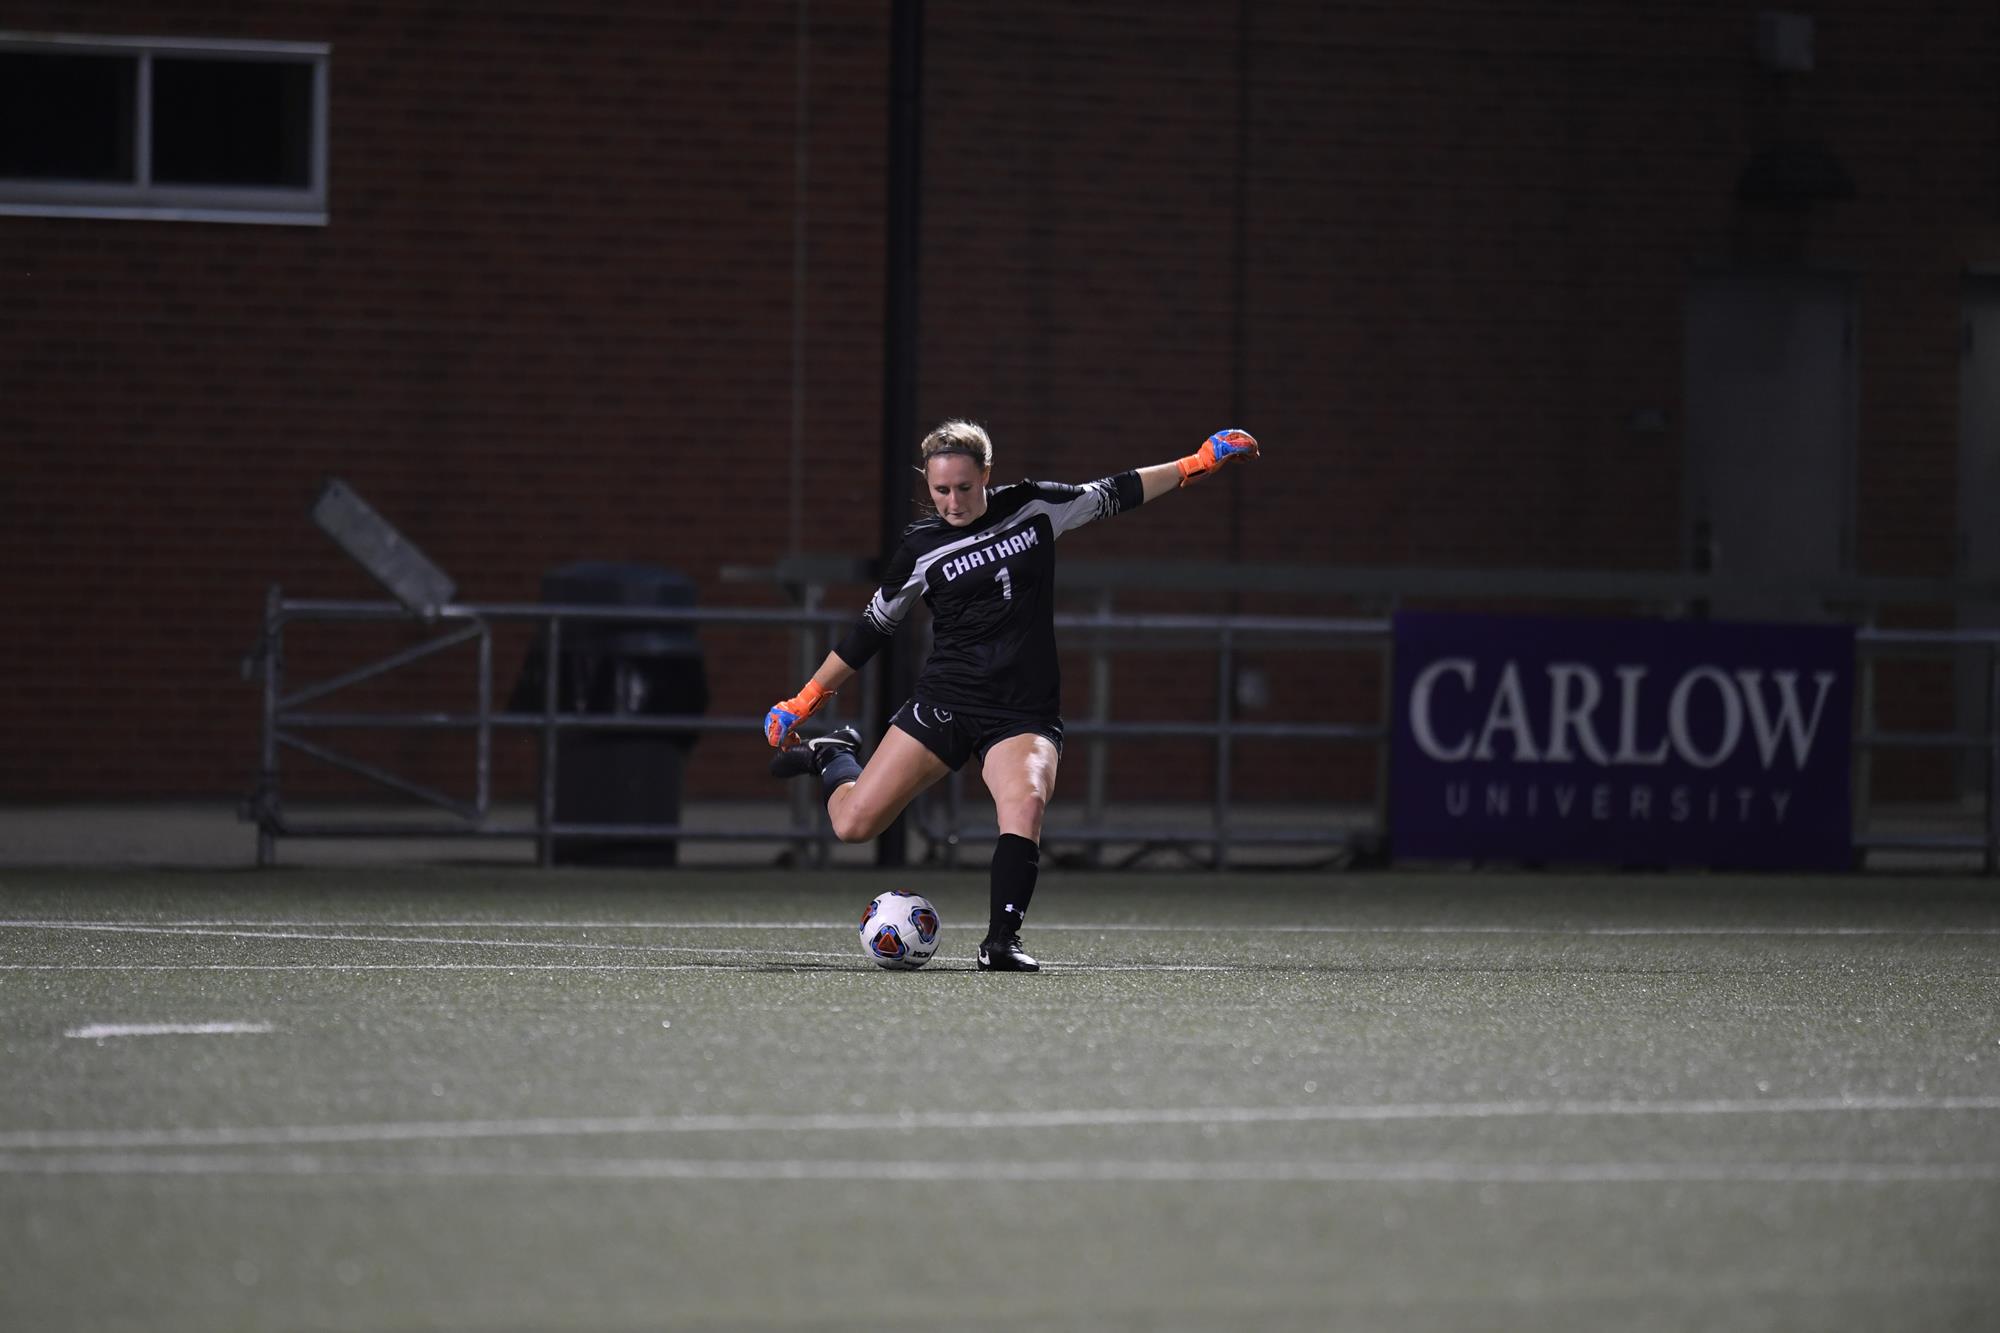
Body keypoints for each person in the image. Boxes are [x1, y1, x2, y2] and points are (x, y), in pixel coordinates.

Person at [764, 420, 1261, 971]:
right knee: (853, 825)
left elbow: (1119, 490)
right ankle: (834, 754)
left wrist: (1197, 463)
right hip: (948, 699)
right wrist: (804, 698)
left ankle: (1001, 941)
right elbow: (870, 630)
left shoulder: (1035, 506)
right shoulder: (920, 549)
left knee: (1024, 800)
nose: (952, 501)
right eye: (940, 490)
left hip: (1022, 708)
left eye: (964, 488)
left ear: (987, 476)